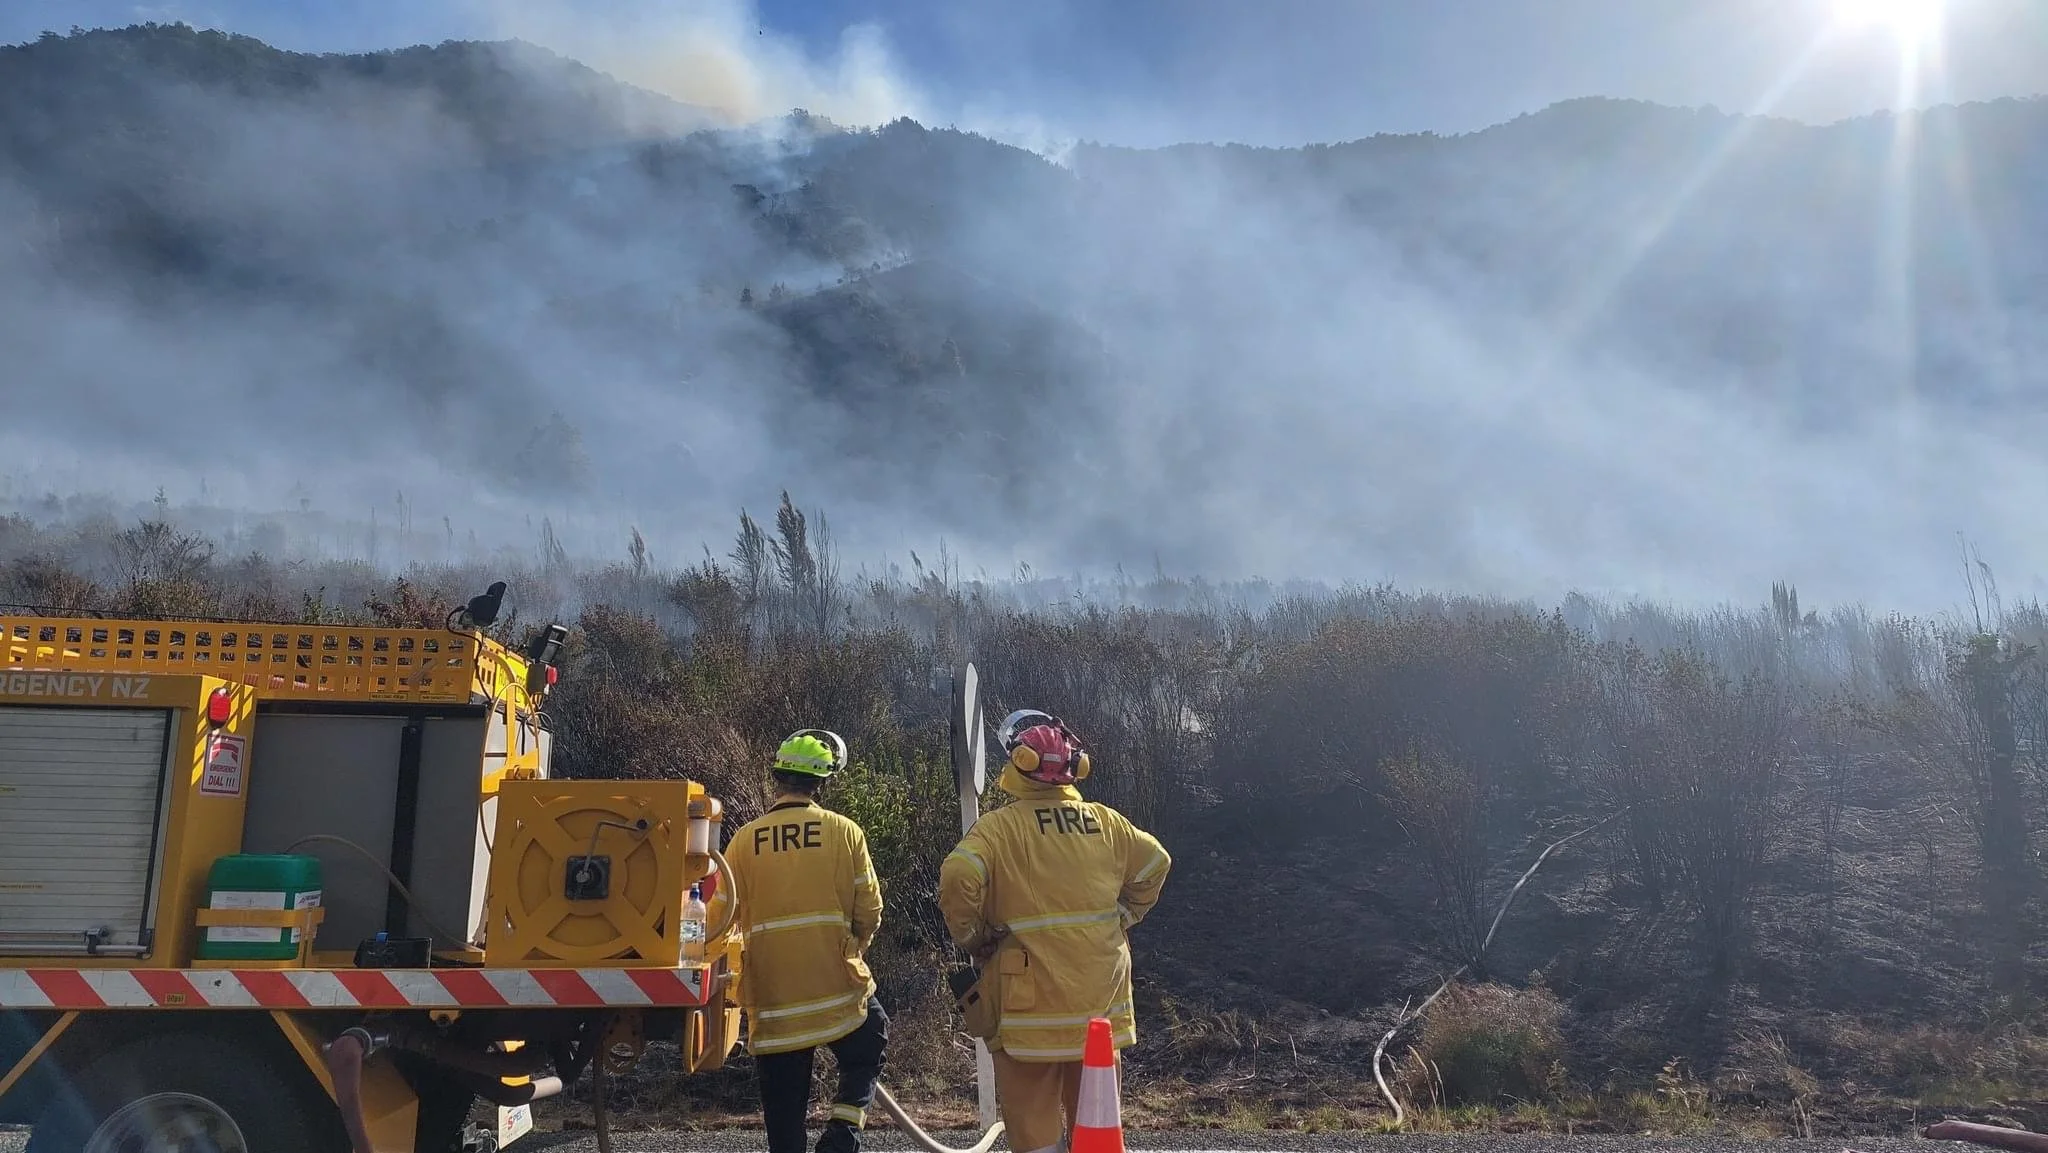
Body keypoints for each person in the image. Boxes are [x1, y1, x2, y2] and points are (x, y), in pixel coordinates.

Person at [937, 709, 1172, 1153]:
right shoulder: (1107, 823)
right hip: (1098, 1011)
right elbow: (1157, 862)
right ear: (1074, 770)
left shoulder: (999, 830)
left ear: (1016, 764)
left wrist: (974, 937)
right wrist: (1125, 914)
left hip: (1031, 1013)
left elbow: (957, 876)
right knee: (1097, 1132)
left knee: (1035, 1134)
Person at [726, 729, 888, 1153]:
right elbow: (869, 909)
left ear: (778, 777)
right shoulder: (843, 831)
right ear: (822, 782)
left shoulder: (744, 840)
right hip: (836, 988)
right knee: (870, 1039)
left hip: (773, 1001)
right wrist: (853, 950)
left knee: (783, 1116)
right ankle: (842, 1133)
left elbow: (721, 916)